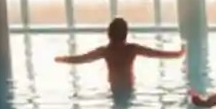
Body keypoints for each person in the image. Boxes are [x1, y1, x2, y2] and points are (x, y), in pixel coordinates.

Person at [55, 18, 186, 90]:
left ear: (109, 34)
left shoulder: (105, 51)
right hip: (129, 87)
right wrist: (178, 54)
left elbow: (82, 59)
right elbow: (156, 54)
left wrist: (63, 59)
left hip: (114, 88)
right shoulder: (131, 49)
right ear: (125, 34)